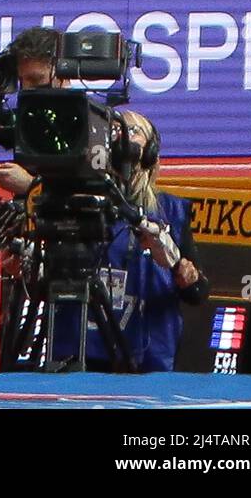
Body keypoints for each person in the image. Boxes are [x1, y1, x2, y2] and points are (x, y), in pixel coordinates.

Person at [36, 111, 209, 372]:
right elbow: (46, 280)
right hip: (78, 353)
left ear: (150, 152)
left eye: (134, 131)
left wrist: (186, 275)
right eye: (115, 130)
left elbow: (197, 293)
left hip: (147, 362)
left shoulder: (171, 212)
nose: (123, 137)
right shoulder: (75, 203)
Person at [0, 26, 65, 196]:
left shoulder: (92, 122)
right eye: (22, 80)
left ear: (63, 74)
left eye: (35, 79)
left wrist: (31, 186)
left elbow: (98, 200)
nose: (28, 88)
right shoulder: (24, 118)